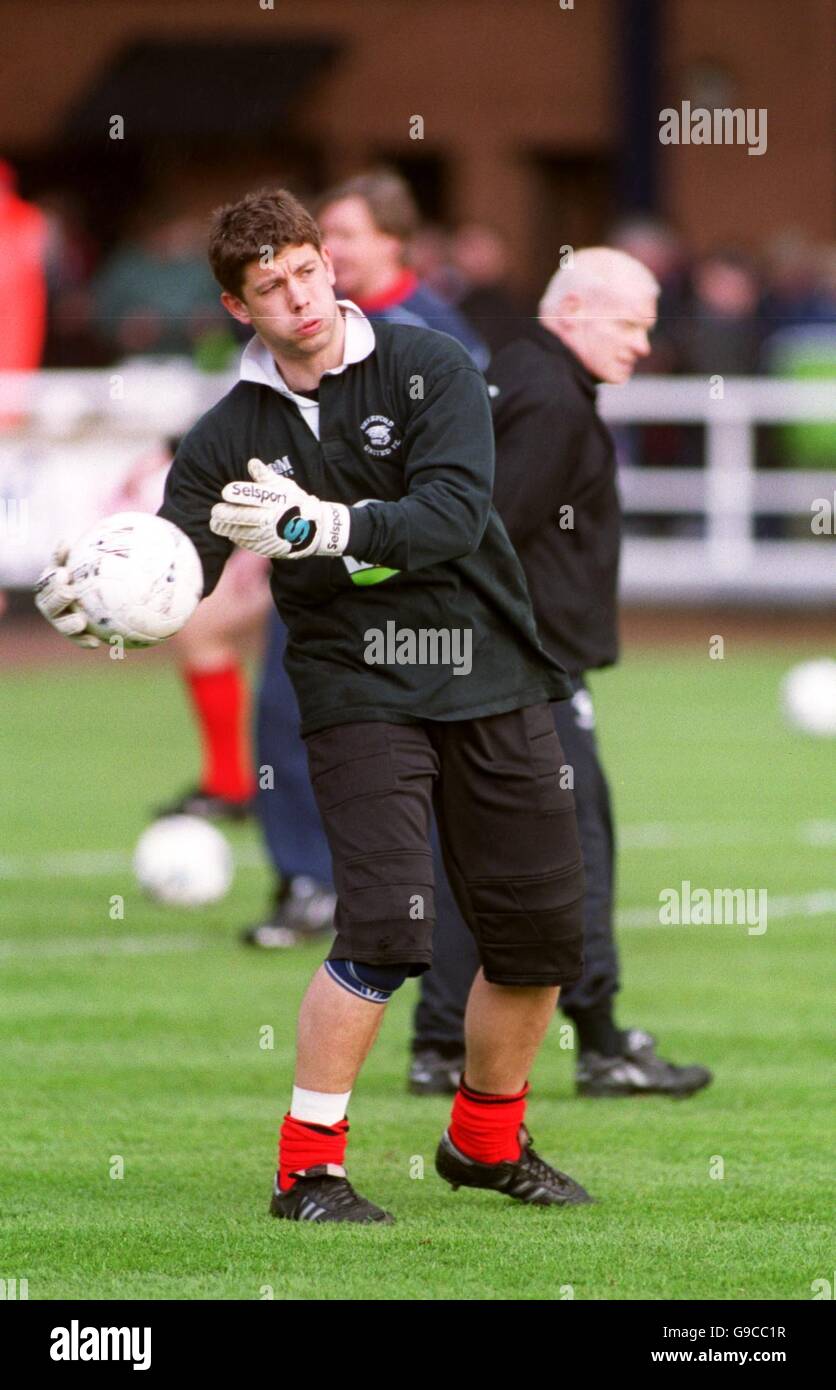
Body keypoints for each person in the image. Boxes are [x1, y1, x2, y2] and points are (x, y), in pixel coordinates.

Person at [36, 188, 593, 1222]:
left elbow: (451, 513)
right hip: (357, 689)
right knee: (385, 927)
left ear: (325, 263)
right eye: (269, 288)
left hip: (490, 671)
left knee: (537, 936)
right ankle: (308, 1173)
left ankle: (482, 1141)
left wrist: (322, 526)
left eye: (305, 270)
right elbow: (181, 566)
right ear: (235, 304)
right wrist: (107, 600)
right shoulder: (223, 433)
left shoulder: (427, 366)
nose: (298, 298)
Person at [411, 249, 714, 1101]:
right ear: (574, 310)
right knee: (576, 848)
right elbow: (487, 530)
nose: (645, 345)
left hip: (494, 668)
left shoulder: (522, 377)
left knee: (483, 856)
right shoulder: (551, 399)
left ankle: (439, 1044)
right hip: (529, 672)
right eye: (631, 324)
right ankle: (605, 1043)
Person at [243, 172, 487, 945]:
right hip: (313, 564)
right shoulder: (302, 330)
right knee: (285, 711)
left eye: (346, 236)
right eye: (327, 240)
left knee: (410, 738)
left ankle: (382, 891)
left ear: (394, 241)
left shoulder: (431, 338)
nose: (332, 253)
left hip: (400, 574)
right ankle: (310, 879)